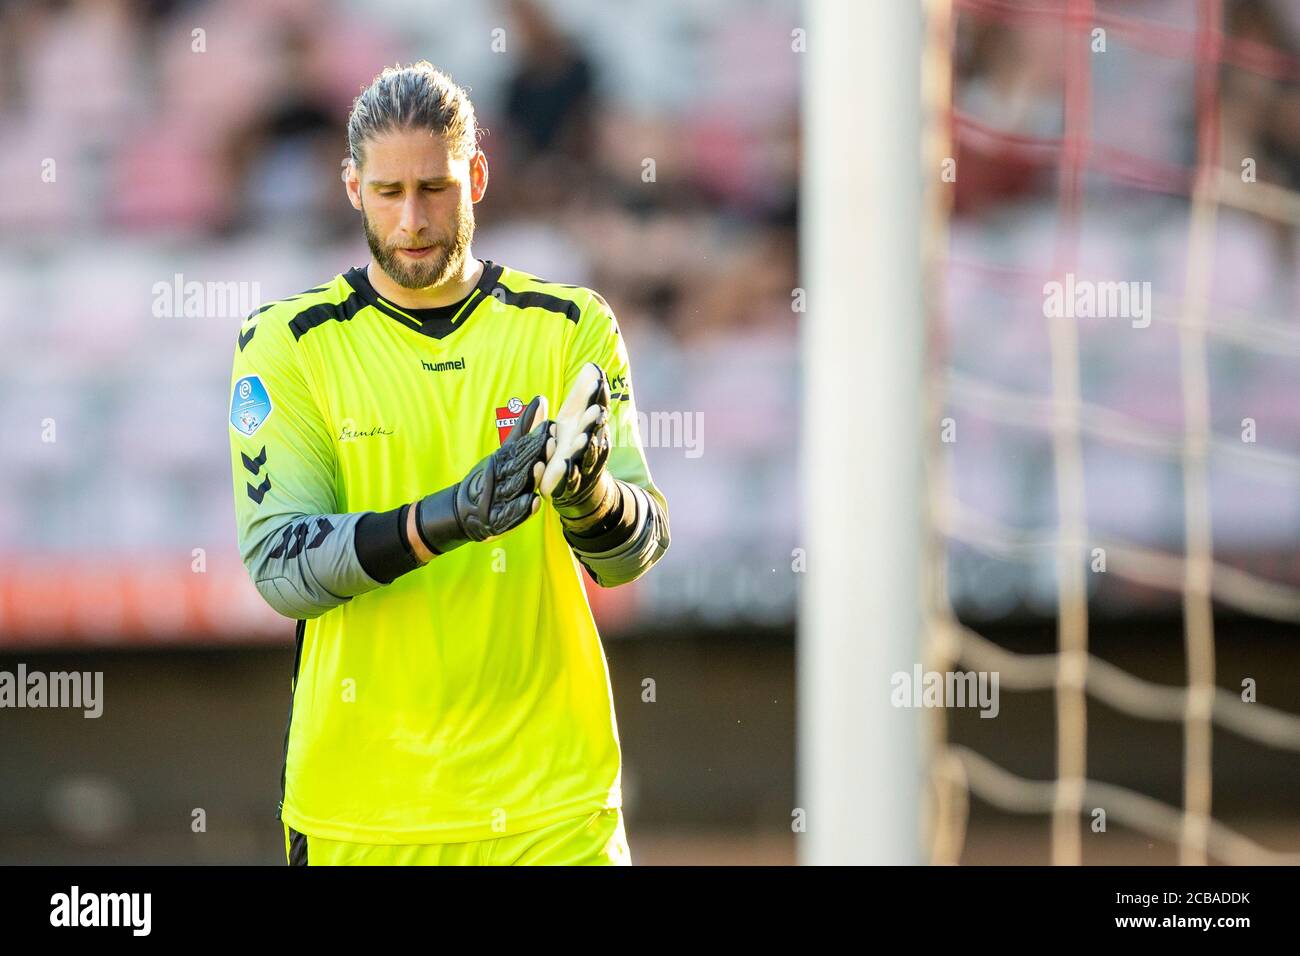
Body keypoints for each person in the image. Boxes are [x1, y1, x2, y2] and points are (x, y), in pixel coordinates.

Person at [226, 62, 670, 866]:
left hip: (553, 808)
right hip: (362, 815)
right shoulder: (287, 345)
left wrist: (589, 495)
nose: (413, 220)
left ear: (478, 175)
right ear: (353, 187)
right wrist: (449, 518)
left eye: (434, 189)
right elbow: (279, 567)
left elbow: (632, 554)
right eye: (389, 193)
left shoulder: (569, 327)